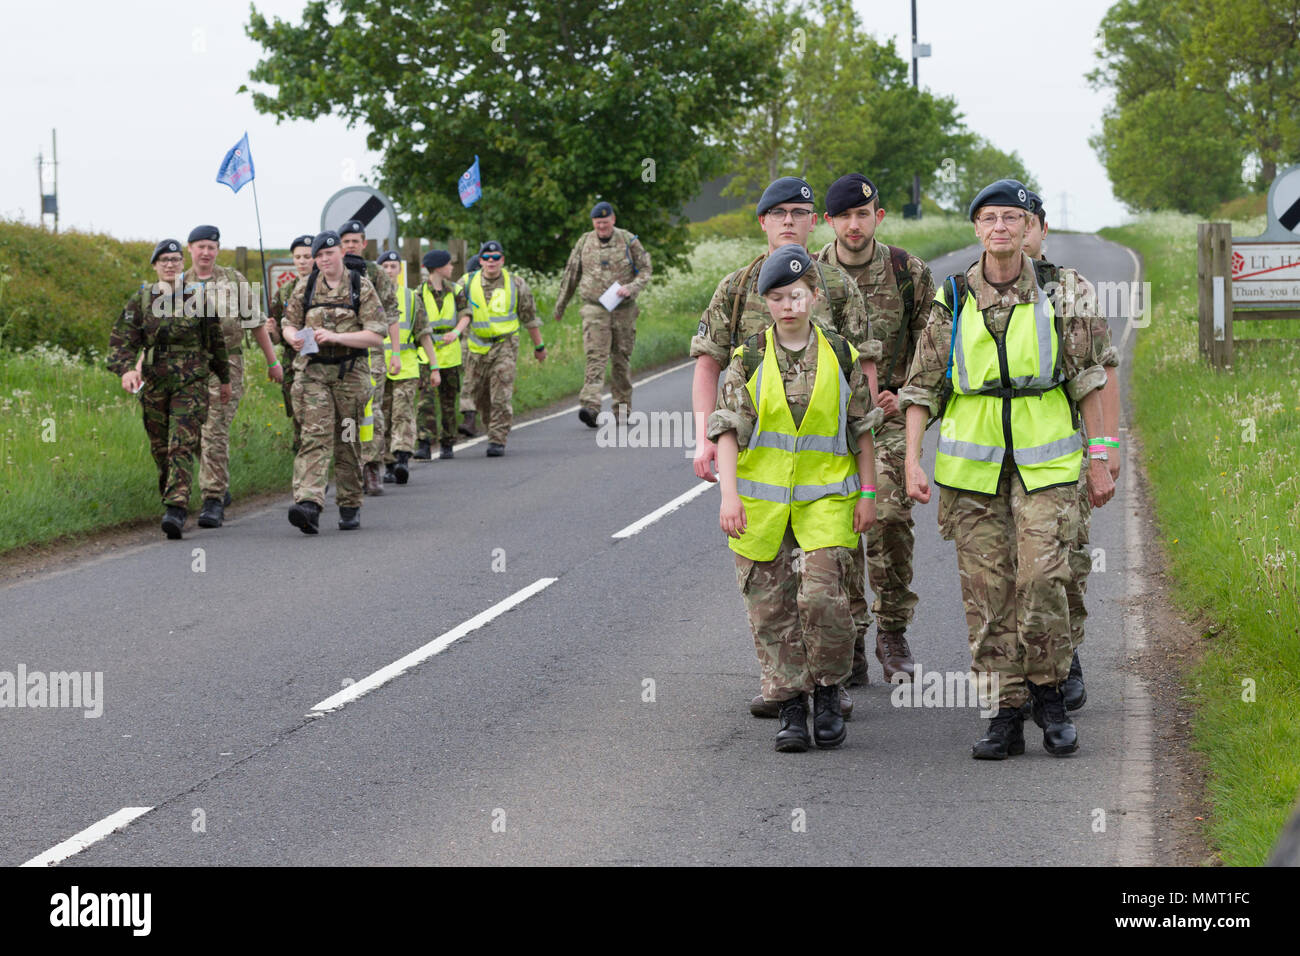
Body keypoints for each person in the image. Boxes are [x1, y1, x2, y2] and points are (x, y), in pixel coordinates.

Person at [900, 179, 1115, 759]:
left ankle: (1049, 694)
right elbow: (921, 387)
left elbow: (1089, 376)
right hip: (972, 475)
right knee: (988, 595)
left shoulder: (1061, 289)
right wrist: (912, 459)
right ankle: (1004, 713)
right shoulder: (952, 296)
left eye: (1011, 218)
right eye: (990, 218)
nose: (1000, 227)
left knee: (1044, 576)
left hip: (1047, 467)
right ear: (977, 229)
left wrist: (1100, 457)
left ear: (1028, 228)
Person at [689, 175, 879, 720]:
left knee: (831, 573)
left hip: (830, 461)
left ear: (814, 220)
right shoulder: (736, 286)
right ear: (764, 222)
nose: (790, 221)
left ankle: (835, 674)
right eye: (780, 213)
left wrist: (871, 472)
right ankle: (786, 682)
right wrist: (703, 438)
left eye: (800, 211)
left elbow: (861, 372)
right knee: (768, 581)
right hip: (762, 465)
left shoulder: (837, 287)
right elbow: (708, 364)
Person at [817, 173, 936, 687]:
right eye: (844, 216)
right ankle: (851, 637)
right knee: (835, 524)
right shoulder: (810, 275)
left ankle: (891, 629)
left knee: (885, 510)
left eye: (862, 214)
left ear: (878, 217)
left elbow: (935, 346)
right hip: (822, 424)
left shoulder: (906, 271)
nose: (854, 225)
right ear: (830, 223)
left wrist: (905, 393)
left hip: (887, 416)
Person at [1023, 190, 1122, 712]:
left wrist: (1105, 446)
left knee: (1066, 562)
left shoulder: (1069, 289)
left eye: (1027, 224)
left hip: (1067, 450)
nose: (1017, 234)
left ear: (1041, 230)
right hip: (1000, 460)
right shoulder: (974, 289)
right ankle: (1031, 677)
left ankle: (1069, 654)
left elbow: (1103, 369)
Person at [108, 239, 231, 538]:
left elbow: (215, 341)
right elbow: (122, 340)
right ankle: (171, 494)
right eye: (164, 260)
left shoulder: (199, 299)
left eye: (176, 259)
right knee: (161, 446)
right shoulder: (142, 299)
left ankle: (176, 509)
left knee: (181, 442)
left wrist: (224, 378)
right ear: (154, 265)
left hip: (191, 380)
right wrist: (126, 370)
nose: (170, 264)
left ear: (181, 265)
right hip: (155, 381)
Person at [279, 231, 387, 533]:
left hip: (350, 375)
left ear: (340, 252)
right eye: (319, 256)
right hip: (313, 375)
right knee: (314, 437)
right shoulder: (307, 286)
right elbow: (290, 323)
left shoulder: (360, 287)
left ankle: (350, 503)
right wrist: (293, 338)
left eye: (330, 253)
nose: (325, 260)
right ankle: (308, 504)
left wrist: (339, 337)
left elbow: (377, 335)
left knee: (347, 440)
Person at [187, 224, 283, 528]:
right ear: (190, 248)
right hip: (187, 368)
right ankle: (218, 482)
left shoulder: (233, 280)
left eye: (211, 247)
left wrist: (272, 361)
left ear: (217, 250)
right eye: (200, 246)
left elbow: (255, 324)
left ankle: (212, 499)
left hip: (226, 365)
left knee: (214, 429)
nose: (205, 252)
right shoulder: (176, 283)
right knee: (190, 433)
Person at [553, 201, 652, 427]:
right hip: (594, 308)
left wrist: (632, 288)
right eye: (598, 224)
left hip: (624, 309)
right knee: (595, 356)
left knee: (621, 358)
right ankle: (591, 406)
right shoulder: (584, 242)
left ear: (613, 221)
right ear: (593, 224)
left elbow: (646, 269)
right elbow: (571, 274)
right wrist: (560, 306)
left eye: (605, 224)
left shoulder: (629, 240)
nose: (602, 228)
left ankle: (622, 408)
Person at [464, 240, 546, 456]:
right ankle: (491, 426)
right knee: (482, 396)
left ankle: (497, 439)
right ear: (480, 261)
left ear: (503, 260)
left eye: (496, 258)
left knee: (501, 393)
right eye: (487, 258)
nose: (492, 262)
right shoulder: (466, 283)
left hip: (505, 345)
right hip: (476, 348)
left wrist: (540, 346)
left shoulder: (516, 284)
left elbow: (529, 318)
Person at [338, 219, 401, 496]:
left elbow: (391, 315)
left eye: (355, 241)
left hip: (372, 351)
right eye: (346, 241)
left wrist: (394, 352)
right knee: (347, 412)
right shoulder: (328, 272)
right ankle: (352, 466)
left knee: (370, 408)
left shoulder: (376, 273)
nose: (351, 245)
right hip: (338, 353)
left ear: (364, 244)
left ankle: (373, 465)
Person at [377, 250, 440, 483]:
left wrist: (435, 368)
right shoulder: (370, 297)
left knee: (402, 414)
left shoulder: (412, 298)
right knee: (382, 416)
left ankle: (402, 457)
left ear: (399, 270)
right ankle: (388, 463)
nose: (389, 270)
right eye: (385, 266)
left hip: (406, 366)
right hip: (377, 369)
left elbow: (424, 335)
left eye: (394, 266)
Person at [414, 249, 471, 460]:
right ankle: (425, 442)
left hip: (451, 354)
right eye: (449, 264)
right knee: (425, 402)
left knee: (448, 401)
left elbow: (466, 314)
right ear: (438, 267)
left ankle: (448, 442)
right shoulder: (418, 293)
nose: (452, 267)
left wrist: (456, 332)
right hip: (426, 355)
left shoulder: (456, 290)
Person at [265, 233, 316, 453]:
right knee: (299, 416)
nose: (303, 261)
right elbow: (276, 338)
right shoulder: (285, 291)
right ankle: (304, 466)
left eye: (307, 256)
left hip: (323, 361)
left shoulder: (327, 286)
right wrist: (271, 331)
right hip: (294, 364)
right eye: (298, 257)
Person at [456, 253, 482, 437]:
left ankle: (474, 417)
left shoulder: (461, 282)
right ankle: (471, 418)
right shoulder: (466, 283)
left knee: (473, 380)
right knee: (471, 380)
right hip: (471, 338)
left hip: (472, 338)